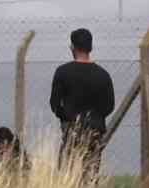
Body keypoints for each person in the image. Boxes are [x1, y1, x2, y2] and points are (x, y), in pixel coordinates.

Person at [49, 28, 115, 183]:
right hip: (95, 132)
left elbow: (54, 104)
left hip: (71, 130)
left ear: (72, 47)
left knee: (67, 176)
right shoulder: (103, 74)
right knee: (91, 177)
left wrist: (66, 118)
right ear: (90, 47)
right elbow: (109, 106)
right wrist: (96, 118)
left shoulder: (62, 72)